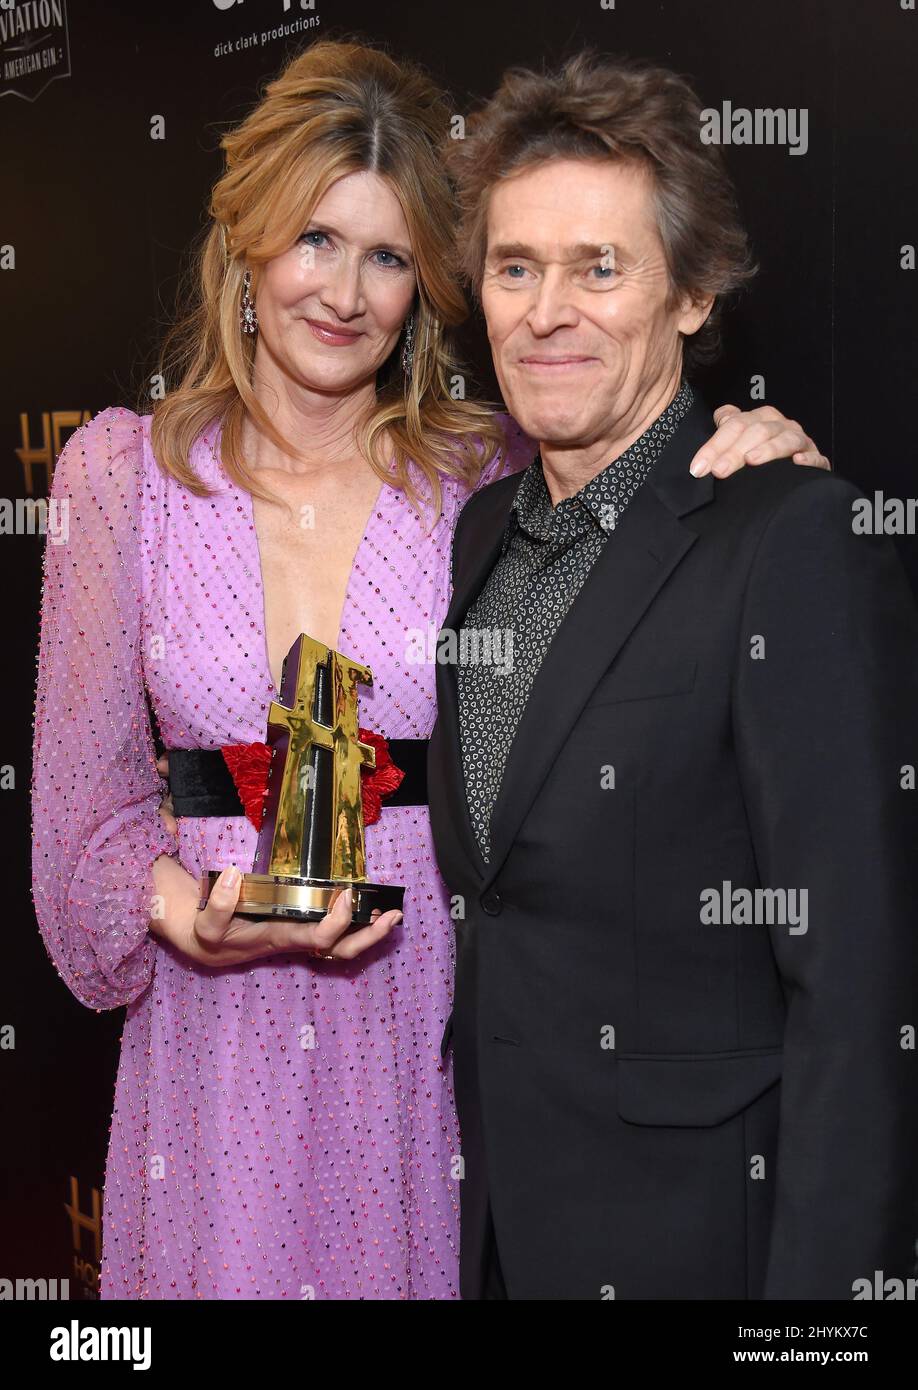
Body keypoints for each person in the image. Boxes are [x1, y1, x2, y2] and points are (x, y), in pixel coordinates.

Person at [31, 39, 826, 1301]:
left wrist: (750, 453)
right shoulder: (120, 481)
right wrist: (184, 909)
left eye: (390, 255)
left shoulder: (491, 475)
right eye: (315, 240)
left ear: (426, 286)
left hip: (436, 1036)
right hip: (214, 1046)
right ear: (244, 243)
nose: (345, 292)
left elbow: (654, 527)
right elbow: (84, 830)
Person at [429, 51, 918, 1300]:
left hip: (704, 1248)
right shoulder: (482, 535)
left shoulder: (791, 539)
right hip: (503, 1236)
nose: (547, 312)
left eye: (602, 268)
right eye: (515, 267)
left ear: (692, 295)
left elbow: (855, 991)